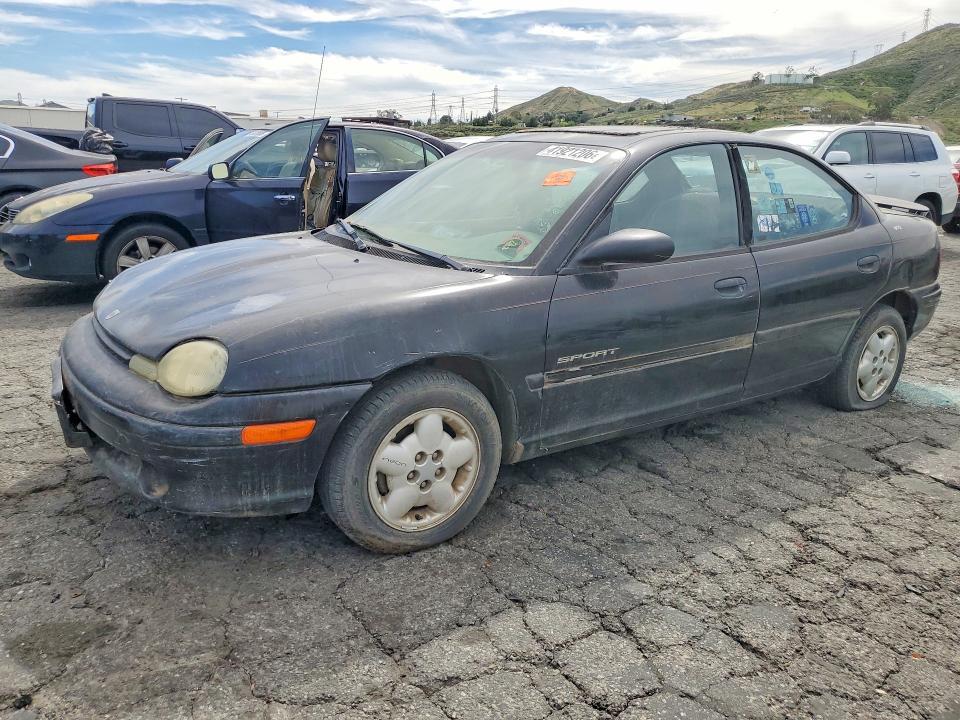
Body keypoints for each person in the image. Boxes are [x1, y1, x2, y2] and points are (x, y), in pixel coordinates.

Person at [303, 132, 339, 229]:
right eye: (319, 146)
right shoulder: (322, 170)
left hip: (317, 224)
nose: (319, 149)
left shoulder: (331, 173)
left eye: (320, 147)